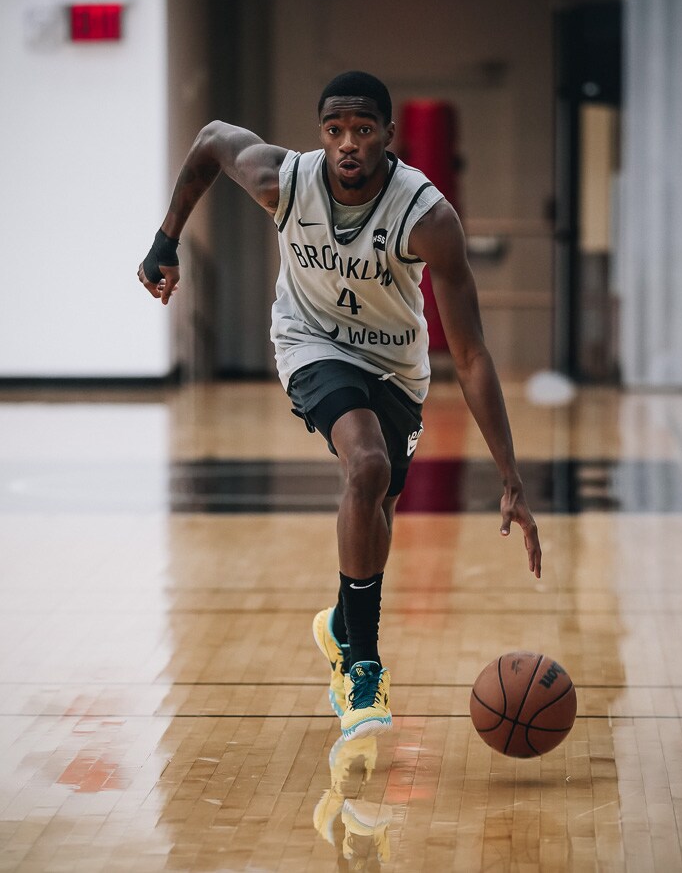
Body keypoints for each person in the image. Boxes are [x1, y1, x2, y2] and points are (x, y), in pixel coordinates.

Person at [137, 70, 541, 742]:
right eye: (335, 130)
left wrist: (510, 475)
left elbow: (470, 355)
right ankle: (362, 666)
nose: (348, 143)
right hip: (312, 344)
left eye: (362, 129)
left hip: (397, 367)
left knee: (379, 508)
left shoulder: (428, 216)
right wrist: (165, 239)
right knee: (367, 465)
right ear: (321, 134)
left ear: (389, 135)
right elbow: (210, 140)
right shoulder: (283, 181)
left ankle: (341, 622)